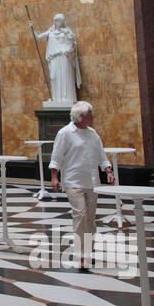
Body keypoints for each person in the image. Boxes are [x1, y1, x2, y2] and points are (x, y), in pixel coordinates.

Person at [49, 100, 111, 272]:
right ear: (80, 116)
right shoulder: (65, 133)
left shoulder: (92, 133)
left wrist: (107, 170)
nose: (92, 116)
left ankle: (88, 251)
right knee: (81, 215)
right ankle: (81, 254)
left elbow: (100, 154)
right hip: (73, 181)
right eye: (89, 113)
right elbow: (56, 157)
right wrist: (55, 177)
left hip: (92, 182)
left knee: (90, 219)